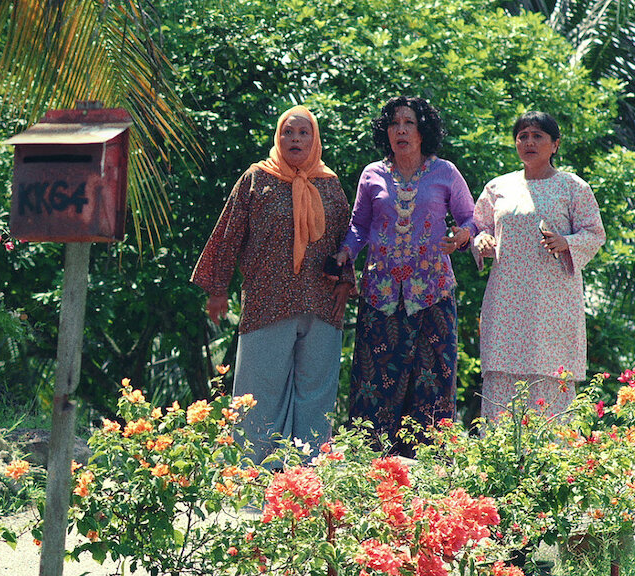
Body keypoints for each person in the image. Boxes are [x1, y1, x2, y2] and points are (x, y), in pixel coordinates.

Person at [191, 105, 354, 464]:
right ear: (277, 137)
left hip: (322, 302)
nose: (295, 139)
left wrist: (346, 281)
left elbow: (347, 238)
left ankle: (305, 475)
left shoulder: (330, 184)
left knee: (315, 393)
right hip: (267, 300)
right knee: (257, 390)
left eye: (303, 133)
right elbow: (229, 234)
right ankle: (250, 472)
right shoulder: (256, 178)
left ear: (315, 139)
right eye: (288, 132)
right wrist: (218, 290)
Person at [333, 96, 475, 456]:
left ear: (422, 131)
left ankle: (429, 464)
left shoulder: (445, 172)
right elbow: (359, 225)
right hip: (381, 293)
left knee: (432, 379)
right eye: (394, 123)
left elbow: (471, 218)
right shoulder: (372, 174)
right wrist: (346, 251)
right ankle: (369, 462)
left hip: (432, 292)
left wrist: (461, 236)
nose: (401, 129)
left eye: (408, 122)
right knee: (374, 380)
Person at [472, 111, 605, 421]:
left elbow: (595, 233)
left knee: (551, 376)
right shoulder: (498, 187)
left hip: (552, 303)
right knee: (502, 376)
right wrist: (482, 242)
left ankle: (554, 463)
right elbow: (480, 228)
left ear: (555, 144)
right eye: (522, 136)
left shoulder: (573, 187)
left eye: (537, 136)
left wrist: (566, 243)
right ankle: (498, 459)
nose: (529, 142)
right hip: (506, 301)